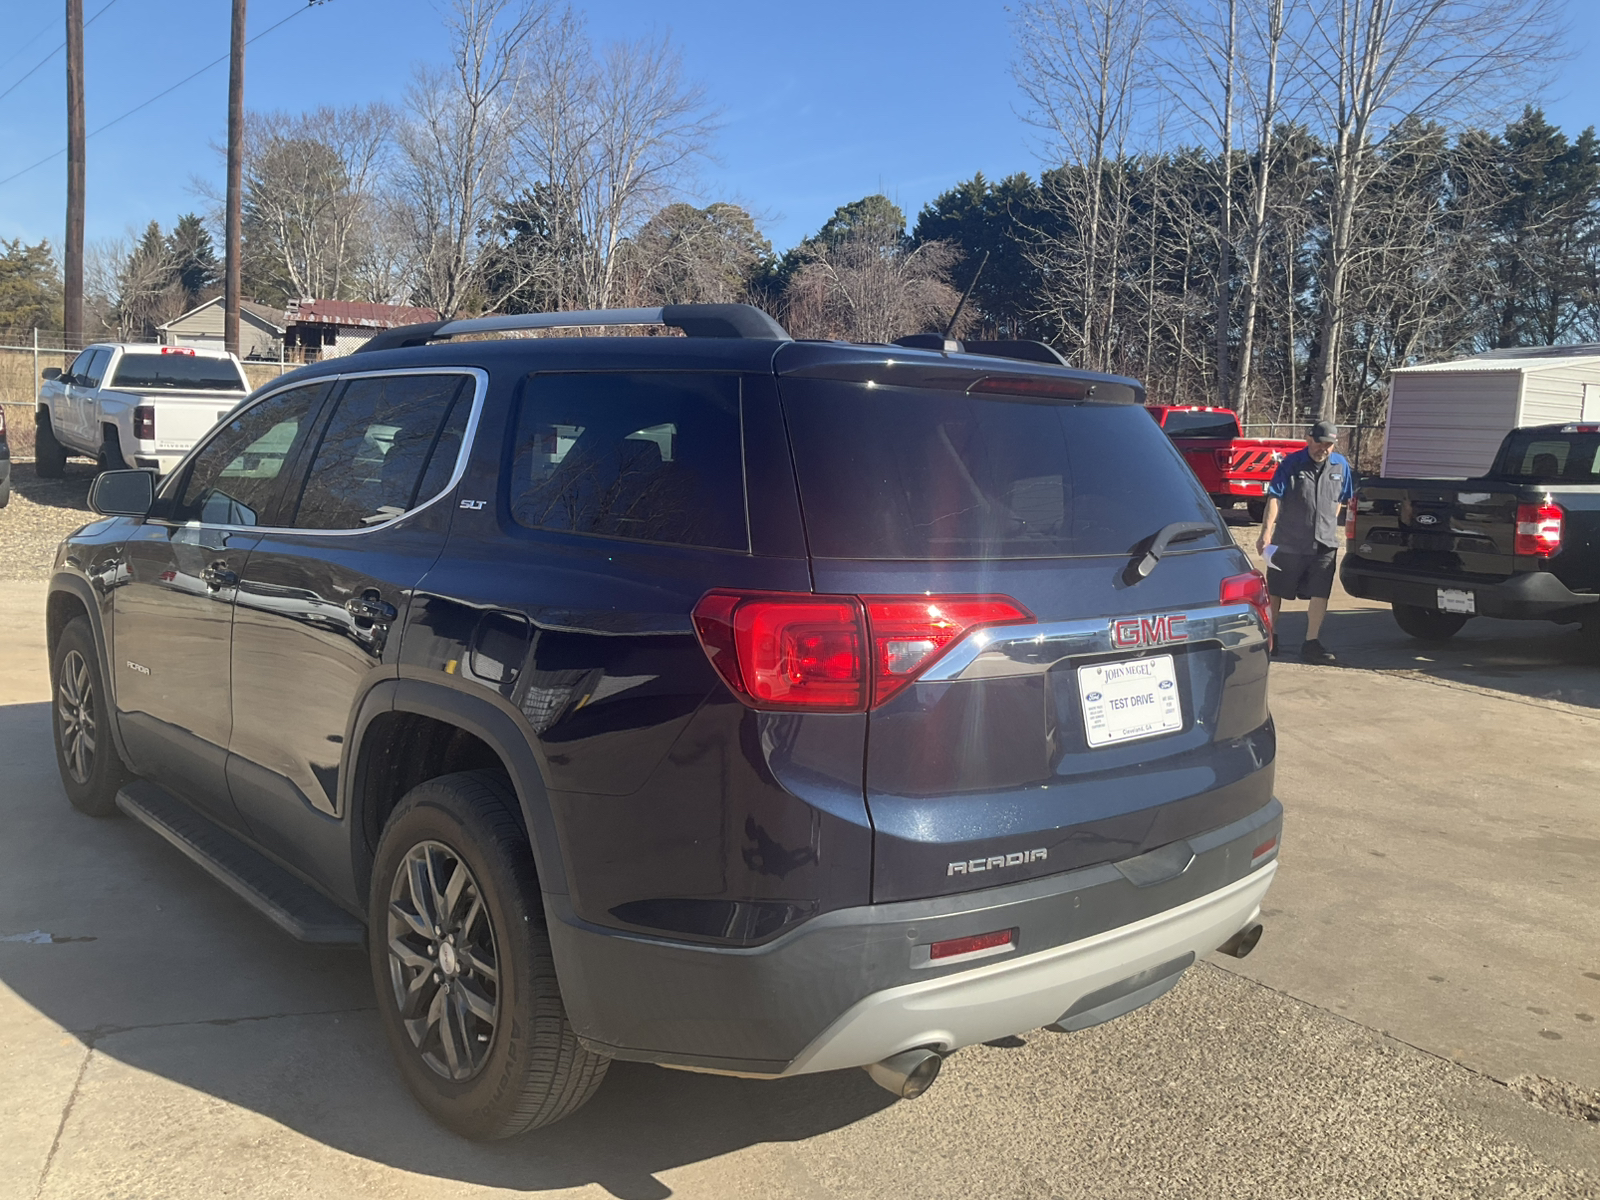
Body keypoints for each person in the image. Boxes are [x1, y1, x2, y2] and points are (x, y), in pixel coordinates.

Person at [1256, 419, 1353, 664]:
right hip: (1289, 542)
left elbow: (1342, 498)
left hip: (1324, 544)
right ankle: (1271, 638)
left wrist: (1327, 522)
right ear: (1309, 440)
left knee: (1320, 593)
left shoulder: (1341, 466)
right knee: (1276, 591)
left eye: (1329, 445)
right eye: (1320, 443)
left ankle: (1311, 643)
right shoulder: (1291, 463)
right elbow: (1275, 498)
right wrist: (1266, 534)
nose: (1324, 448)